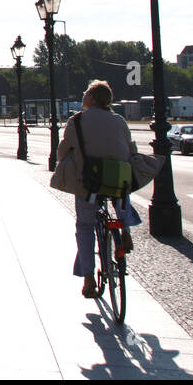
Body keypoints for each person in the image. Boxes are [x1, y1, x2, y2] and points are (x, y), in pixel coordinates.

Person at [51, 80, 142, 299]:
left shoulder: (78, 120)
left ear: (91, 98)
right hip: (117, 180)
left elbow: (63, 150)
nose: (83, 97)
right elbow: (131, 149)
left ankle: (89, 278)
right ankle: (125, 230)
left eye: (85, 93)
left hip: (89, 183)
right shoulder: (119, 120)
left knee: (84, 225)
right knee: (121, 185)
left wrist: (62, 164)